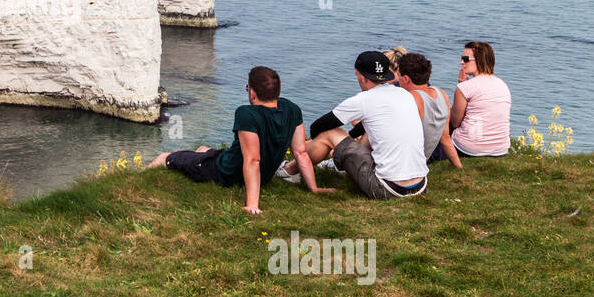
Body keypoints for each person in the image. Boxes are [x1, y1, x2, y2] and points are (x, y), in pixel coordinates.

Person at [148, 65, 328, 214]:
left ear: (253, 93)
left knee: (165, 157)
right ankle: (203, 155)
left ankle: (140, 178)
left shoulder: (247, 113)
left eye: (248, 88)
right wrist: (314, 188)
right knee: (203, 149)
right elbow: (301, 152)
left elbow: (253, 160)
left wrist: (252, 205)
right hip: (262, 177)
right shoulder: (292, 109)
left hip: (225, 174)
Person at [279, 51, 428, 198]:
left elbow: (318, 126)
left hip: (387, 189)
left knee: (329, 133)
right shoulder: (405, 95)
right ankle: (309, 166)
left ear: (362, 77)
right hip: (420, 186)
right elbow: (366, 128)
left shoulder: (363, 100)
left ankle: (288, 171)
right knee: (373, 130)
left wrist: (321, 144)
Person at [443, 40, 511, 157]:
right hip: (501, 148)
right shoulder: (502, 85)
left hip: (469, 149)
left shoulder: (465, 87)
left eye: (465, 59)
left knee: (444, 118)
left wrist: (460, 86)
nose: (461, 62)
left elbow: (455, 122)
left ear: (479, 61)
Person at [397, 52, 462, 168]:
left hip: (403, 164)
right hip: (422, 160)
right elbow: (445, 138)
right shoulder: (441, 94)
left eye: (399, 76)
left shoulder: (411, 99)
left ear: (406, 79)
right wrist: (459, 167)